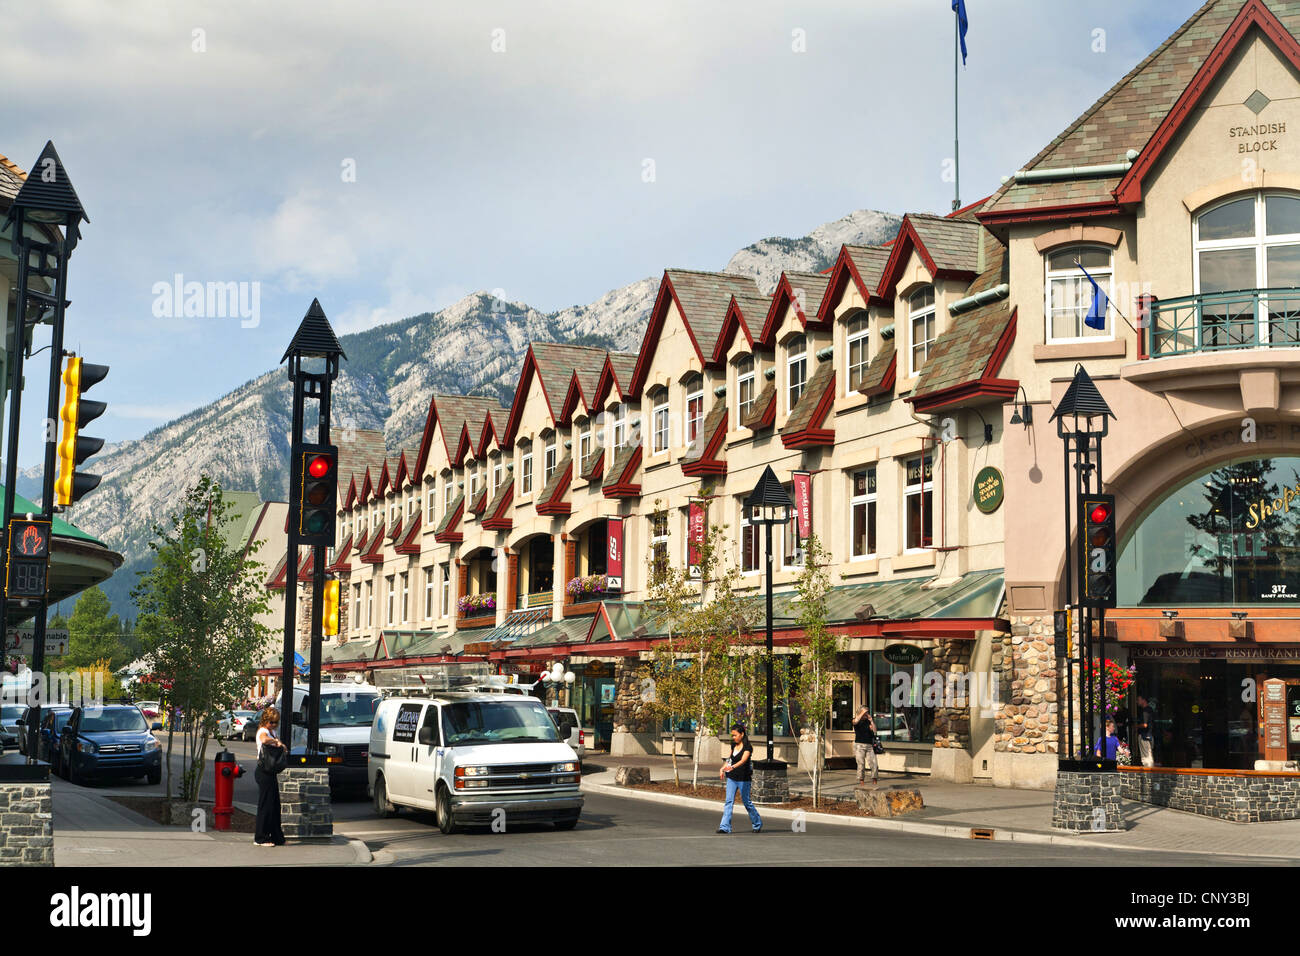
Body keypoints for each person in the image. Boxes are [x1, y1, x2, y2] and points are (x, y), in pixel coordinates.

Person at [716, 723, 762, 834]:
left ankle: (757, 823)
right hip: (732, 777)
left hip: (743, 778)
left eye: (735, 735)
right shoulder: (733, 745)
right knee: (729, 801)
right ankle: (725, 827)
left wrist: (732, 767)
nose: (733, 737)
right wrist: (723, 768)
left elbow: (743, 760)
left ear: (742, 734)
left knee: (747, 802)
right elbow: (729, 759)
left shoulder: (748, 747)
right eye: (732, 735)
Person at [254, 706, 287, 847]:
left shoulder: (272, 732)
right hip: (264, 772)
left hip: (270, 772)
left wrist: (281, 745)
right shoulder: (263, 731)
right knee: (266, 806)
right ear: (265, 720)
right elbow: (263, 739)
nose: (273, 725)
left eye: (276, 722)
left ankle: (277, 837)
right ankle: (260, 838)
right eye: (271, 722)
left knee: (274, 805)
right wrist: (276, 742)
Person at [852, 706, 879, 786]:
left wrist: (871, 721)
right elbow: (855, 722)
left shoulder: (868, 721)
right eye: (865, 712)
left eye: (867, 712)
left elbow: (875, 731)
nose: (866, 714)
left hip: (869, 745)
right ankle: (861, 781)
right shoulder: (856, 720)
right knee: (861, 764)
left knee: (874, 763)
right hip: (859, 745)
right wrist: (862, 713)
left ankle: (874, 780)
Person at [1136, 695, 1155, 768]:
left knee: (1146, 757)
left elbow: (1144, 725)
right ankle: (1150, 770)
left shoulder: (1145, 711)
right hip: (1149, 735)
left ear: (1143, 700)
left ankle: (1148, 772)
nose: (1137, 702)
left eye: (1138, 700)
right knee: (1149, 755)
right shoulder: (1150, 710)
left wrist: (1136, 726)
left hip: (1144, 736)